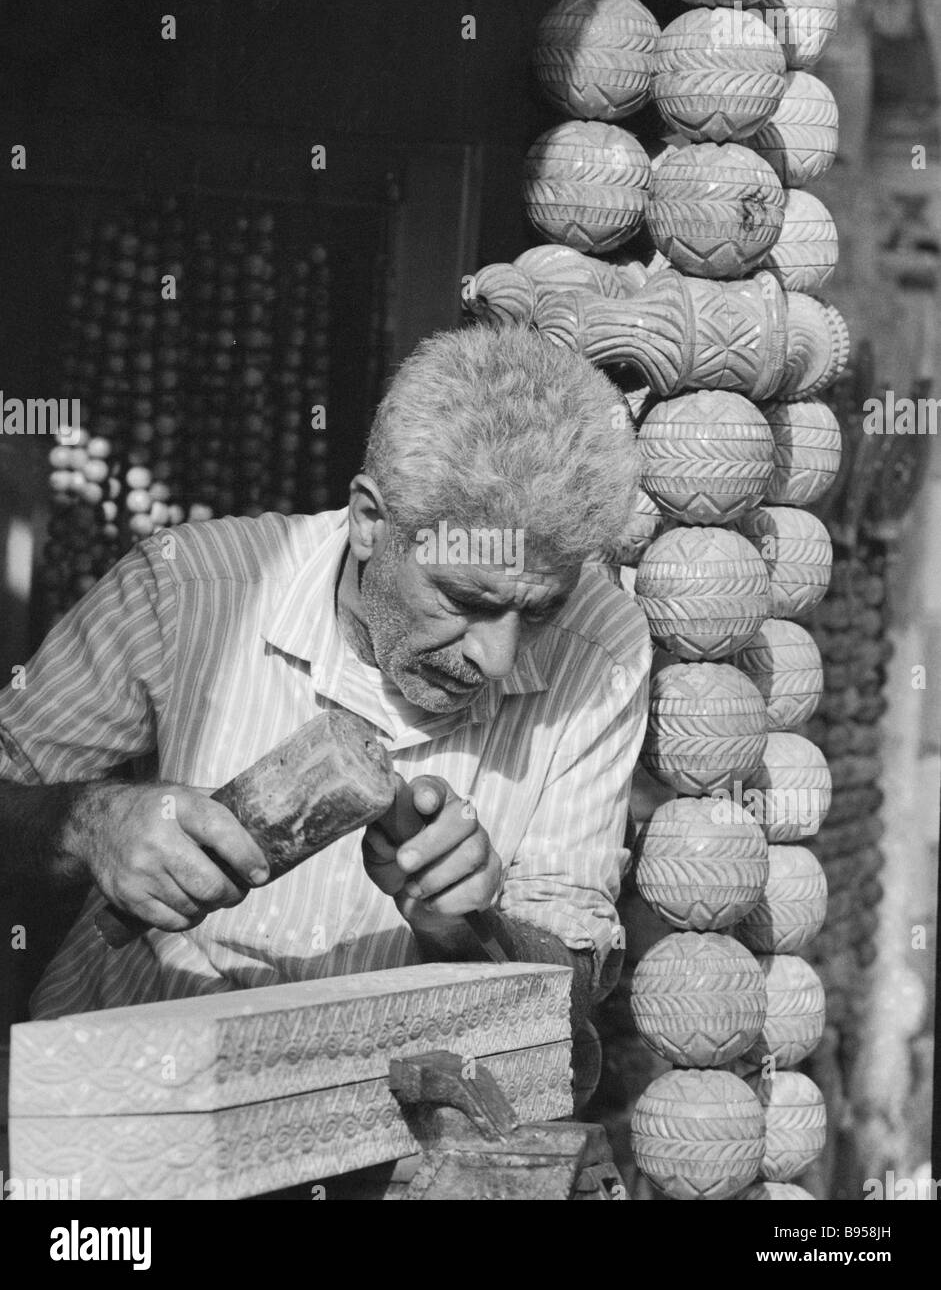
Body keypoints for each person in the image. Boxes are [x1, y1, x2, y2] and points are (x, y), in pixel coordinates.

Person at [0, 324, 651, 1029]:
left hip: (392, 1106)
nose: (496, 659)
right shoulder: (186, 586)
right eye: (465, 600)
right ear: (371, 520)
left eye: (540, 610)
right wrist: (91, 823)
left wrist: (464, 928)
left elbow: (570, 987)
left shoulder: (601, 646)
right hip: (129, 1082)